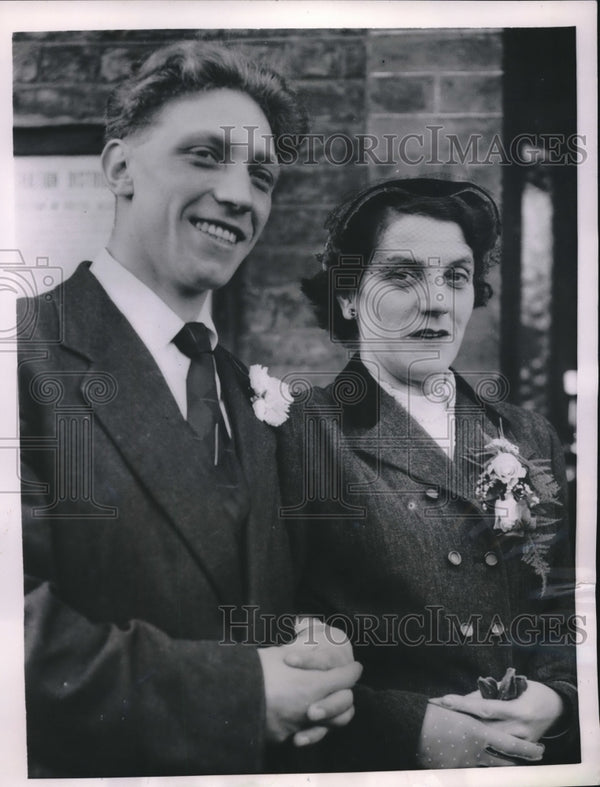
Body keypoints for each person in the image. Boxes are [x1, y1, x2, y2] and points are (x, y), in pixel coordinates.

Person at [17, 41, 362, 778]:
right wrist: (242, 695)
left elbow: (266, 587)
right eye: (205, 155)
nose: (240, 196)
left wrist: (312, 640)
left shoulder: (251, 396)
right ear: (119, 168)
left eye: (261, 176)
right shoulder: (23, 358)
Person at [279, 178, 579, 770]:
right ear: (348, 296)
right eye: (403, 275)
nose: (438, 301)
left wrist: (558, 701)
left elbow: (562, 608)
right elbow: (274, 640)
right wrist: (410, 729)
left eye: (456, 276)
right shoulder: (300, 434)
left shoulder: (528, 435)